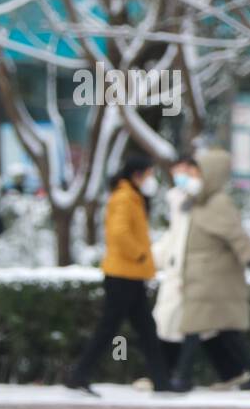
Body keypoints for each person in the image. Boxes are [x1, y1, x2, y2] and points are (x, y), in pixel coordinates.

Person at [65, 155, 173, 395]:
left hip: (130, 275)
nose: (150, 180)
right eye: (148, 174)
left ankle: (161, 380)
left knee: (145, 328)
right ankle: (79, 373)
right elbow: (119, 233)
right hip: (123, 274)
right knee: (112, 328)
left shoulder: (131, 196)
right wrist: (140, 255)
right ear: (137, 175)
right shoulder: (125, 197)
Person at [171, 147, 250, 392]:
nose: (193, 177)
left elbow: (238, 237)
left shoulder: (218, 203)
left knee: (194, 326)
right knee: (227, 330)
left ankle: (183, 378)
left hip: (213, 277)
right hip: (204, 275)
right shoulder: (199, 203)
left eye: (197, 172)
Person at [148, 157, 247, 390]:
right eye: (179, 172)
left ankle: (174, 376)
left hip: (195, 275)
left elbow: (226, 237)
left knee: (188, 326)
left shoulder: (204, 202)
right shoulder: (181, 201)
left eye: (188, 172)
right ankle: (231, 372)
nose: (182, 177)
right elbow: (175, 238)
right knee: (189, 326)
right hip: (187, 273)